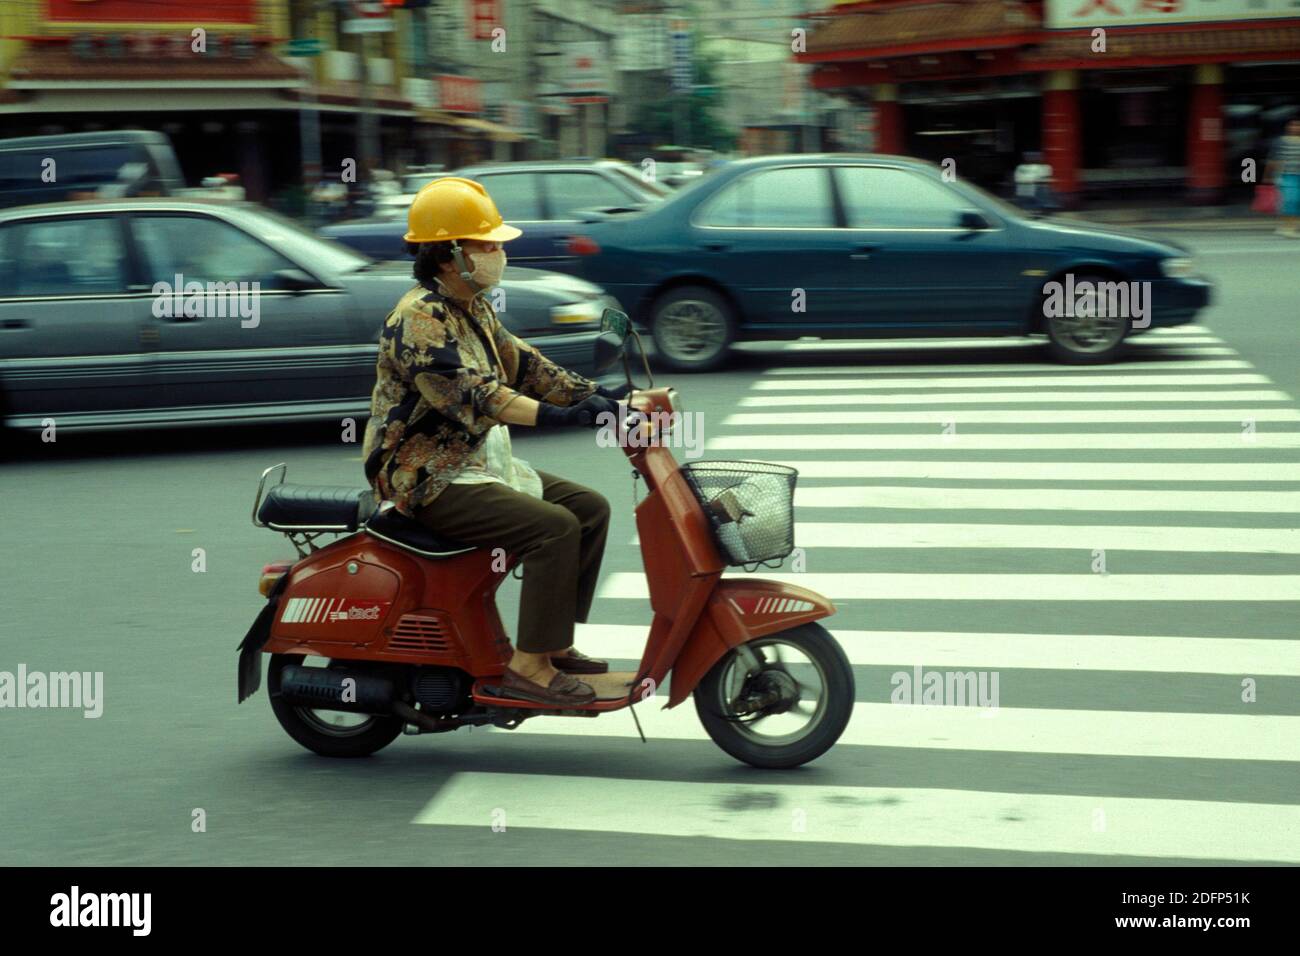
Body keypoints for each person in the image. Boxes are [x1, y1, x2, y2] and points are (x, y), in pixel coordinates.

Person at [361, 177, 629, 707]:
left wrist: (603, 397)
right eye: (488, 244)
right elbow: (479, 396)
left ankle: (550, 645)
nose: (500, 253)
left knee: (589, 508)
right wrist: (561, 416)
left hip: (472, 458)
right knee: (555, 528)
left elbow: (523, 364)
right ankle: (529, 666)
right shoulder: (418, 320)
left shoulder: (470, 305)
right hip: (427, 474)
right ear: (450, 254)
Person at [1266, 119, 1300, 238]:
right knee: (1290, 201)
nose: (1296, 127)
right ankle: (1287, 227)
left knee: (1297, 202)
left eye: (1298, 125)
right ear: (1288, 127)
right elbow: (1273, 159)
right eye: (1293, 125)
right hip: (1286, 175)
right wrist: (1268, 177)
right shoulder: (1280, 141)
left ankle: (1291, 227)